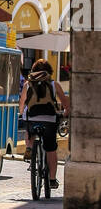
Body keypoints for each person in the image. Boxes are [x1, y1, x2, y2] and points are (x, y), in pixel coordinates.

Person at [20, 58, 69, 189]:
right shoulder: (54, 84)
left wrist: (22, 113)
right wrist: (64, 114)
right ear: (50, 71)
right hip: (49, 120)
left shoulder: (28, 84)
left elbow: (21, 106)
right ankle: (52, 179)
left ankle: (30, 147)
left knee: (28, 130)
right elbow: (66, 104)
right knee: (51, 149)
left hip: (32, 119)